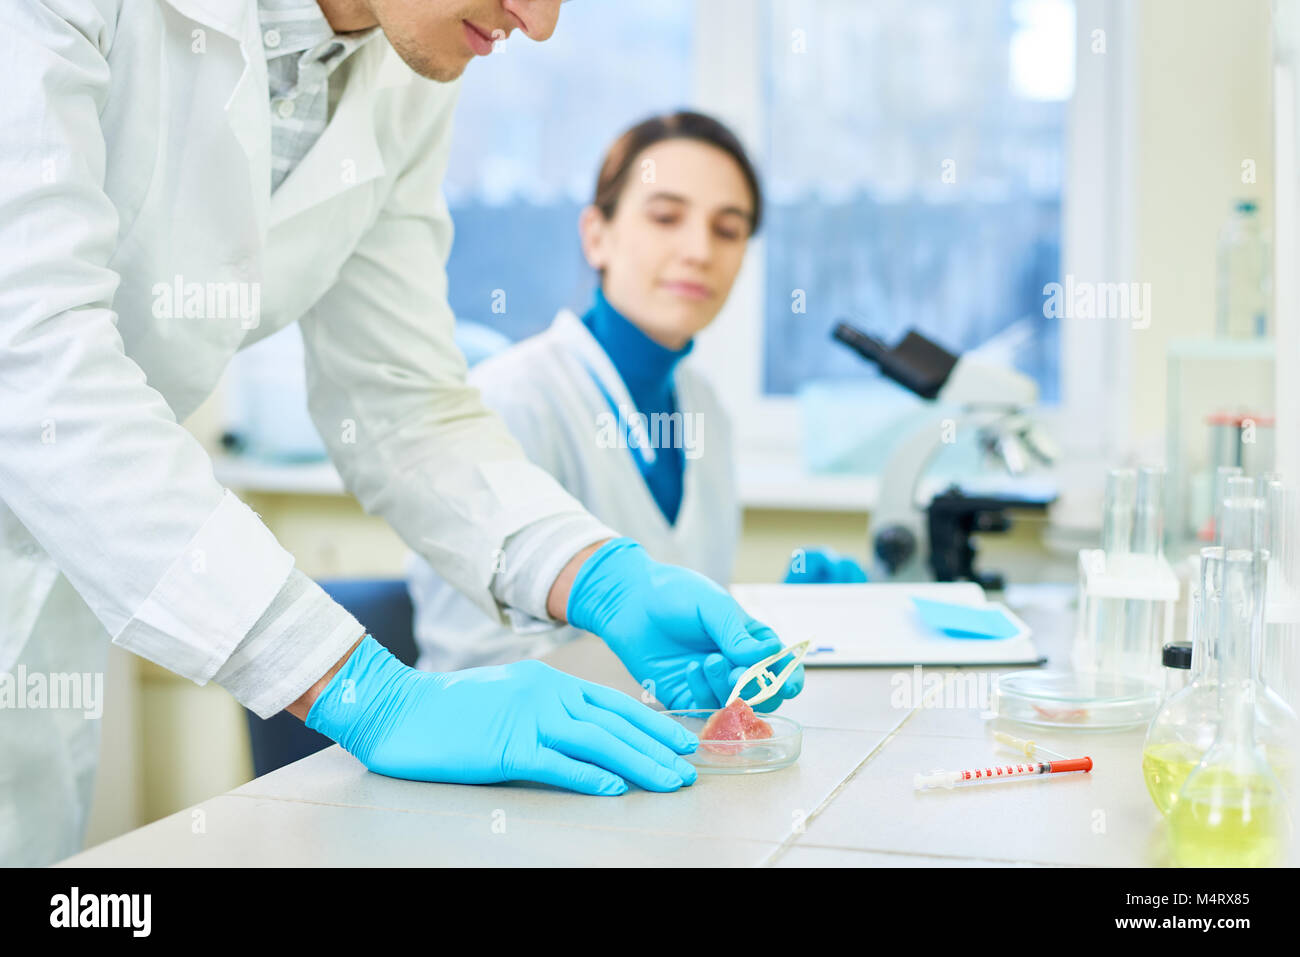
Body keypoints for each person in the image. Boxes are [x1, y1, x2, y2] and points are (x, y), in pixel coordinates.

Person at [0, 0, 801, 867]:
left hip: (57, 585)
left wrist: (600, 576)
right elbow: (31, 356)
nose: (540, 22)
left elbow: (398, 394)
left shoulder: (407, 64)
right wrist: (367, 693)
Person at [408, 111, 865, 694]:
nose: (699, 250)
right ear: (597, 235)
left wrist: (770, 621)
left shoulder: (705, 411)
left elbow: (675, 635)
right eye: (666, 217)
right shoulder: (511, 400)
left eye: (728, 230)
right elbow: (472, 666)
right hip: (516, 775)